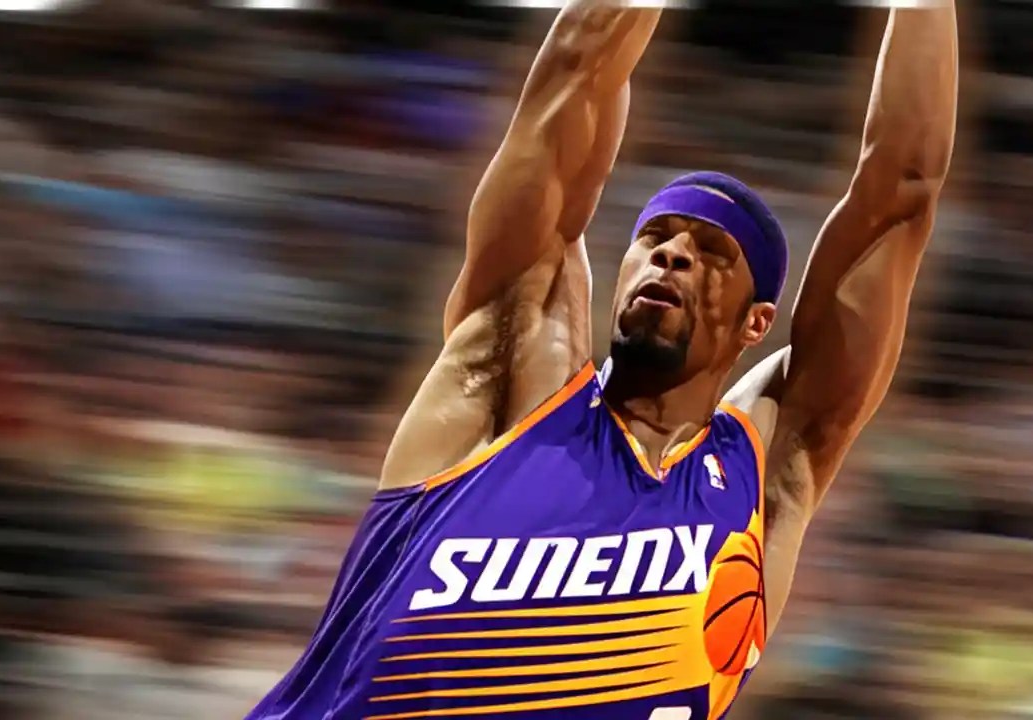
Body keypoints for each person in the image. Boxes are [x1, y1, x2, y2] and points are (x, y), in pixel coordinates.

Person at [246, 1, 958, 718]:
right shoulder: (512, 380)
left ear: (757, 322)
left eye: (712, 252)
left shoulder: (764, 472)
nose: (673, 253)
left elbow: (902, 194)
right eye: (655, 239)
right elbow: (575, 71)